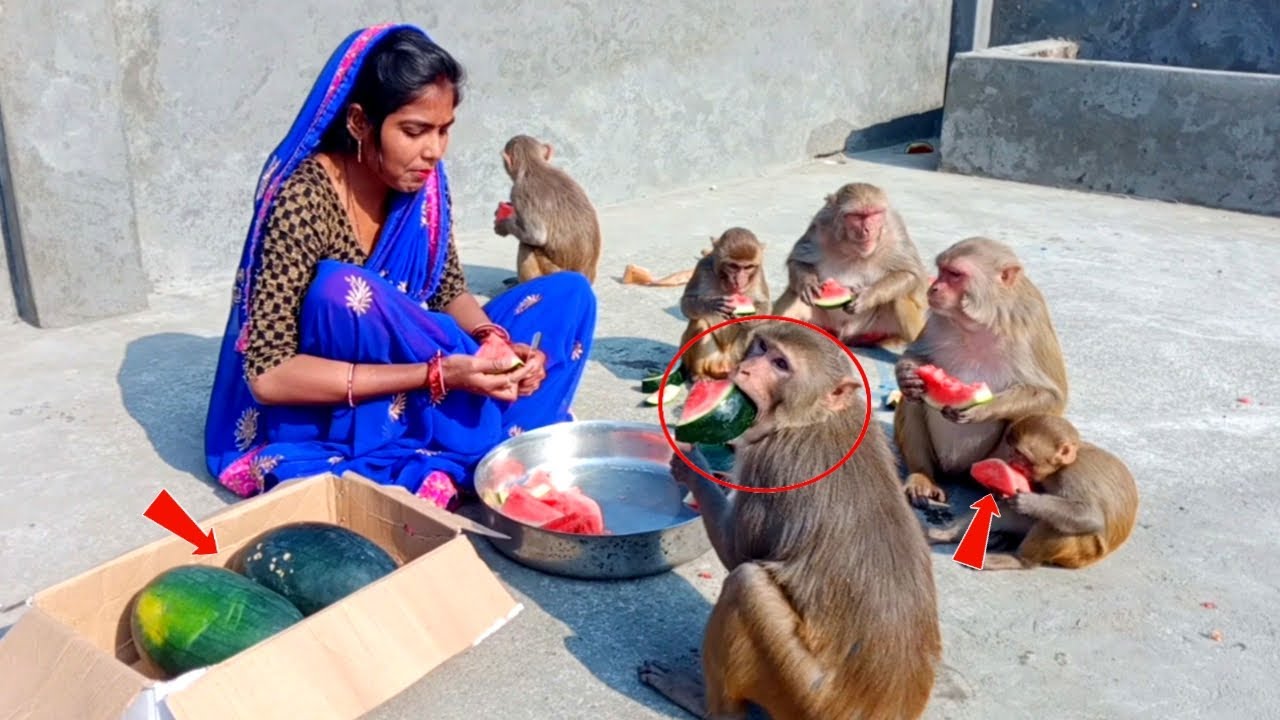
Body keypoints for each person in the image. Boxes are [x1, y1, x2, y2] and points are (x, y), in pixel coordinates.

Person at [203, 24, 597, 510]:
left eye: (444, 130)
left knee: (571, 295)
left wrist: (494, 342)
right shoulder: (303, 198)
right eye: (414, 131)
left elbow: (449, 290)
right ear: (359, 122)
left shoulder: (424, 183)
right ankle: (475, 438)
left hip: (427, 358)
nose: (434, 150)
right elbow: (269, 376)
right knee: (342, 291)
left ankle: (472, 425)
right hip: (349, 395)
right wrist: (436, 375)